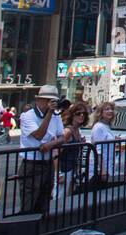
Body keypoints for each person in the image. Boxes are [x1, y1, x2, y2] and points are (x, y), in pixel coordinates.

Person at [17, 85, 66, 216]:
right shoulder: (28, 116)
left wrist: (49, 145)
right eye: (48, 100)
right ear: (39, 100)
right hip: (32, 164)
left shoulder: (56, 116)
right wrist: (49, 114)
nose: (51, 104)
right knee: (29, 202)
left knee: (44, 201)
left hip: (48, 162)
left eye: (53, 101)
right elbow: (39, 135)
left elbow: (62, 137)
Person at [90, 102, 126, 186]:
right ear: (101, 113)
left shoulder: (106, 126)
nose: (110, 111)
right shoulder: (99, 127)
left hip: (108, 166)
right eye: (107, 109)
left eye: (111, 109)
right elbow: (98, 150)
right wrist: (103, 170)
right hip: (101, 169)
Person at [57, 102, 90, 193]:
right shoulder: (68, 131)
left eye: (84, 114)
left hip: (72, 169)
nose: (81, 116)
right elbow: (56, 153)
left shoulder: (77, 131)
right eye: (78, 113)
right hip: (64, 169)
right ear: (72, 115)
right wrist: (58, 174)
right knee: (59, 197)